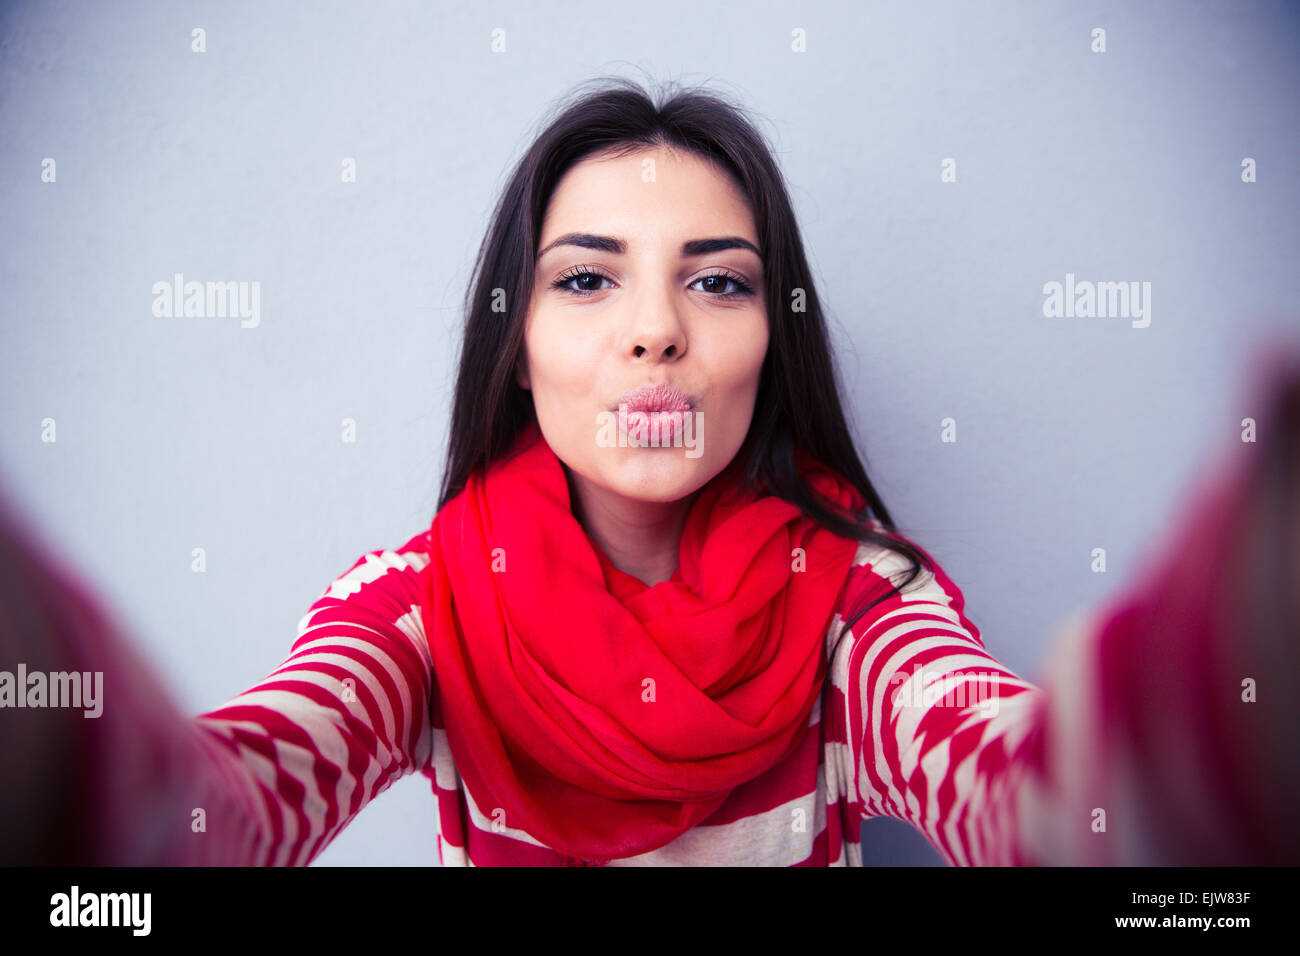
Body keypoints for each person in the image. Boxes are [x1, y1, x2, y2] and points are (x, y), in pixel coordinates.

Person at [1, 77, 1297, 867]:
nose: (655, 328)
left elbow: (1033, 798)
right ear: (516, 349)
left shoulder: (864, 606)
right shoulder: (418, 609)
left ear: (767, 341)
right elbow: (224, 811)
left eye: (718, 281)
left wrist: (1244, 648)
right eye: (586, 278)